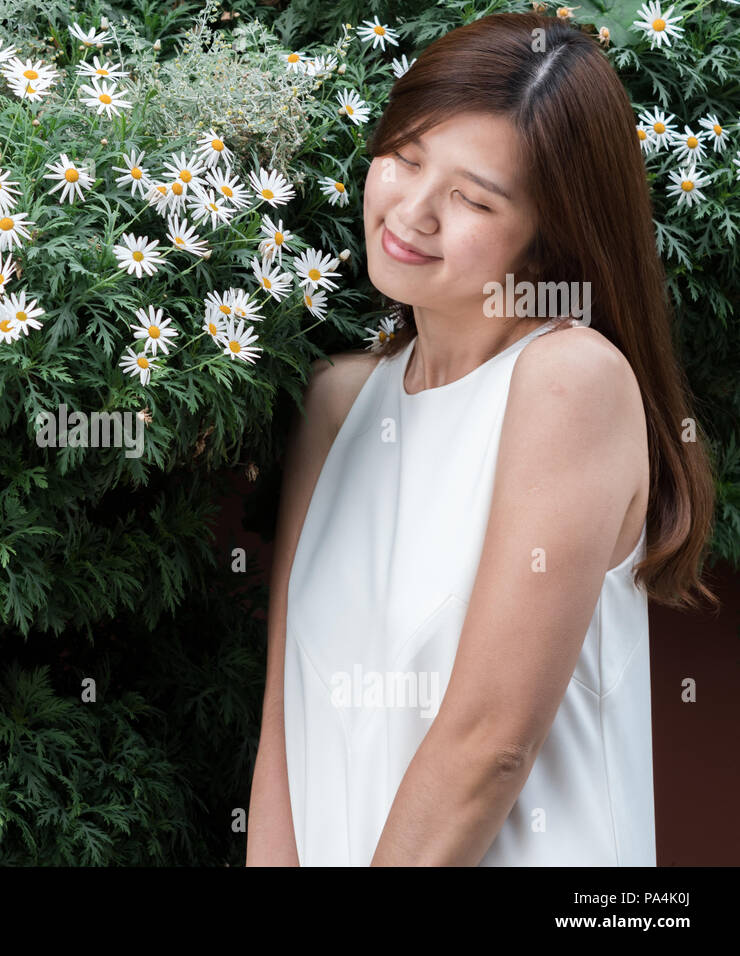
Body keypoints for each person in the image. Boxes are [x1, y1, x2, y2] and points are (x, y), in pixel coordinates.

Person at [247, 11, 718, 866]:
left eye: (471, 198)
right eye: (407, 156)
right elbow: (287, 721)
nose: (413, 212)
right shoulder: (339, 402)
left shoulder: (569, 380)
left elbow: (488, 746)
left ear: (552, 233)